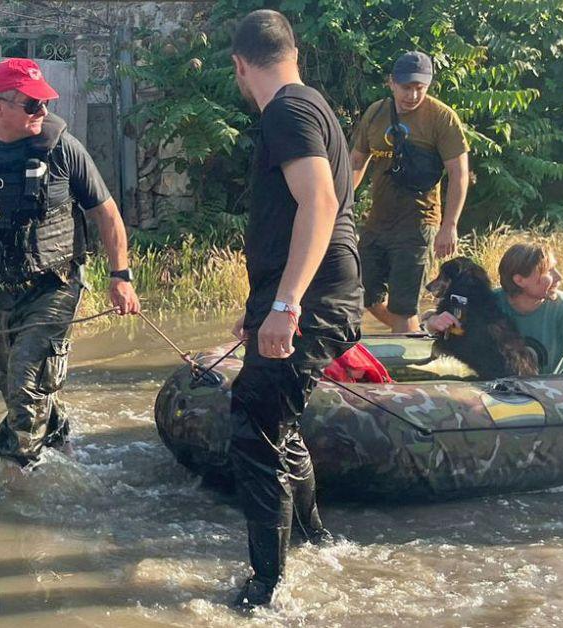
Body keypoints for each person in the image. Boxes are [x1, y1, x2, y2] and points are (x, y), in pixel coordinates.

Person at [0, 58, 141, 471]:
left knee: (24, 382)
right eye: (32, 104)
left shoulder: (62, 148)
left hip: (55, 285)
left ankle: (19, 483)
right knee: (9, 381)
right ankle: (59, 438)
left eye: (44, 102)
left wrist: (120, 276)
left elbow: (106, 212)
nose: (42, 111)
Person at [225, 10, 364, 610]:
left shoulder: (286, 110)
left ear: (239, 65)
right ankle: (315, 540)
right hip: (316, 293)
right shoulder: (311, 105)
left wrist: (286, 305)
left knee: (253, 427)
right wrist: (263, 306)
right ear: (294, 53)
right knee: (277, 423)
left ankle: (266, 591)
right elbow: (293, 218)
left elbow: (321, 203)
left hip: (315, 296)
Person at [350, 51, 470, 332]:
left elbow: (459, 173)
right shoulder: (376, 113)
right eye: (406, 87)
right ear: (391, 83)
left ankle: (409, 338)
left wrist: (449, 225)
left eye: (420, 88)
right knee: (362, 293)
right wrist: (336, 204)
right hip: (378, 221)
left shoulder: (442, 117)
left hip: (418, 223)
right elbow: (356, 162)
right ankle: (421, 329)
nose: (412, 95)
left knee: (403, 307)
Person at [425, 243, 563, 393]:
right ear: (520, 280)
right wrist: (433, 321)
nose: (559, 277)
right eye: (549, 271)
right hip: (512, 390)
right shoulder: (490, 301)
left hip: (562, 389)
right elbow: (438, 325)